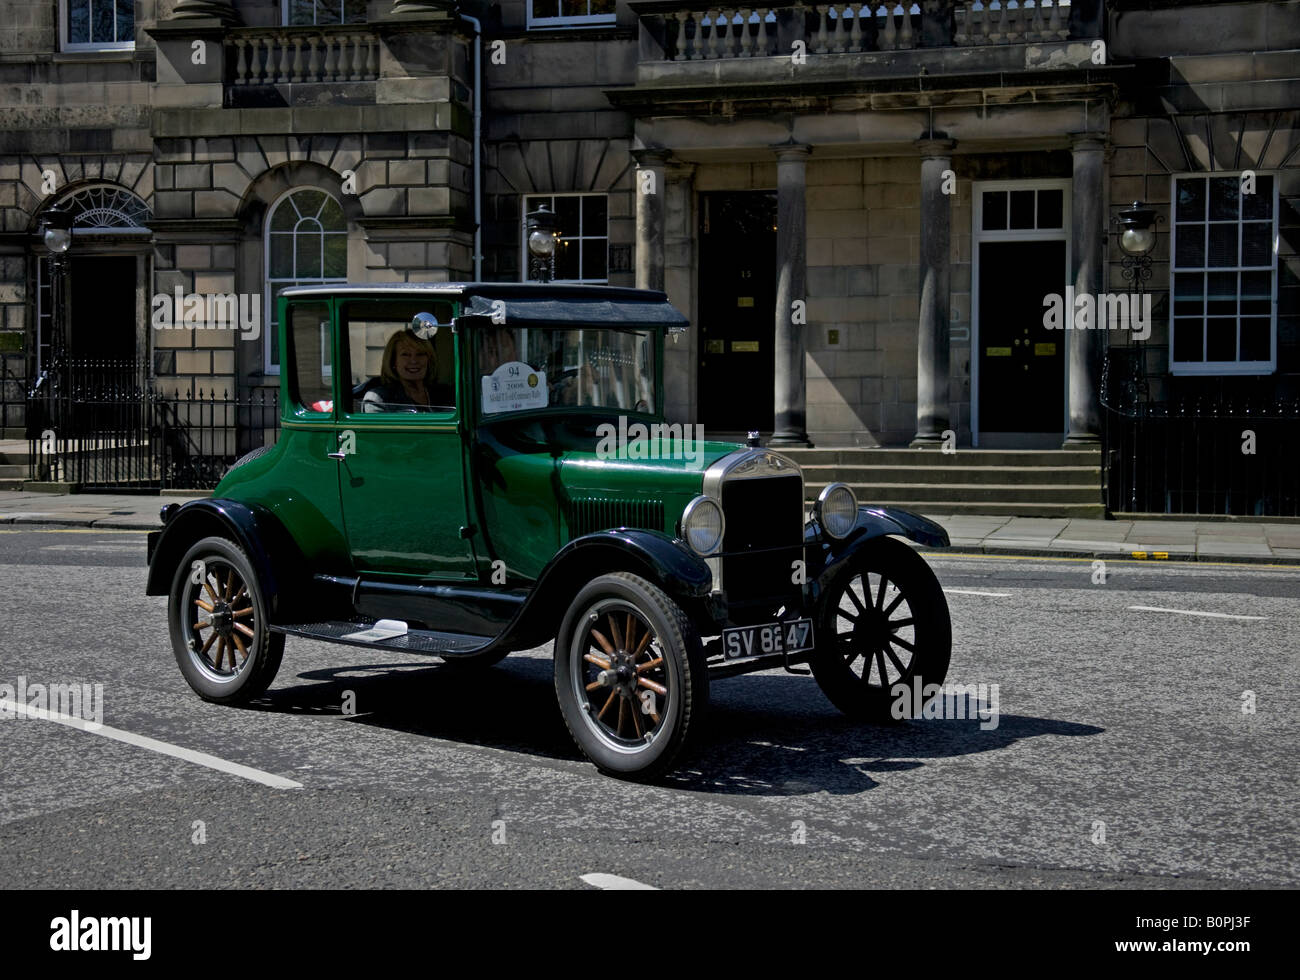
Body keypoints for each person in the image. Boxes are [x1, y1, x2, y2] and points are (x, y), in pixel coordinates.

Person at [362, 329, 453, 412]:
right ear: (393, 361)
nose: (414, 361)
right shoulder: (379, 399)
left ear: (428, 360)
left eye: (420, 354)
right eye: (405, 354)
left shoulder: (446, 395)